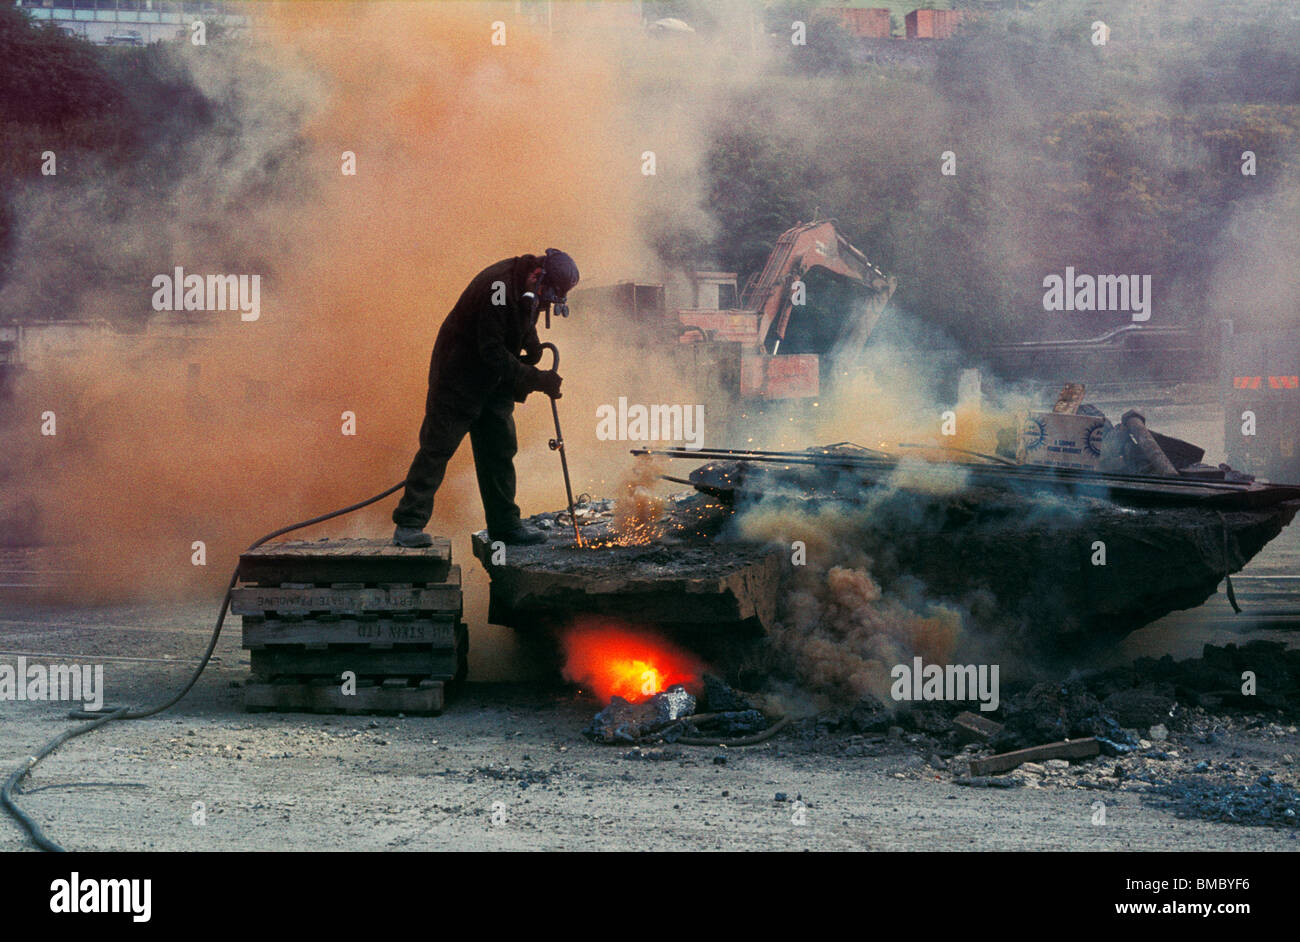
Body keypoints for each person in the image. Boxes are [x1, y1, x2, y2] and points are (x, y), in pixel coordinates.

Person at [391, 248, 579, 548]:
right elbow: (490, 350)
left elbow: (524, 318)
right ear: (537, 274)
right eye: (544, 295)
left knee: (499, 451)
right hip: (459, 378)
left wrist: (531, 345)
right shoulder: (499, 287)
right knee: (437, 450)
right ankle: (409, 525)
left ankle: (504, 526)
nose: (544, 303)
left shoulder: (529, 287)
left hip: (494, 382)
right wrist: (536, 379)